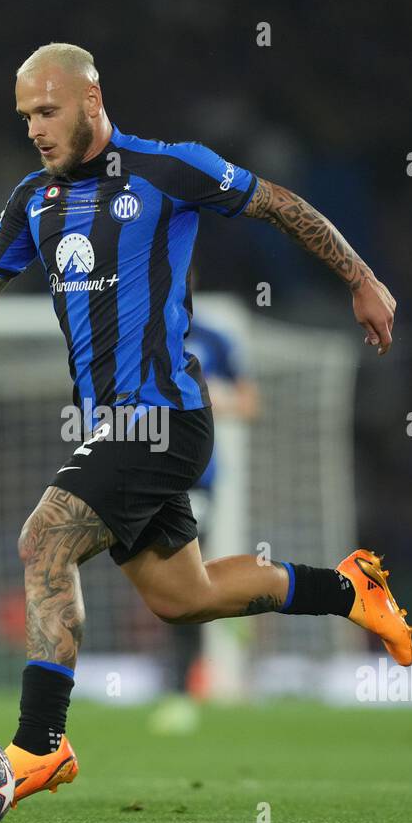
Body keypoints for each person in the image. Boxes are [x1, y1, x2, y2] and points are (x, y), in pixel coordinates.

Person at [0, 43, 412, 807]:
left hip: (164, 417)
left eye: (48, 111)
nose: (35, 129)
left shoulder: (169, 170)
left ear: (91, 100)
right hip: (112, 427)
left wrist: (362, 279)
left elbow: (281, 204)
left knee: (45, 538)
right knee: (184, 597)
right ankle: (349, 588)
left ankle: (41, 745)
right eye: (25, 117)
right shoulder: (32, 201)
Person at [149, 308, 258, 736]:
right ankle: (234, 602)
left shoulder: (215, 338)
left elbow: (250, 403)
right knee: (172, 582)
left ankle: (179, 695)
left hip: (195, 476)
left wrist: (200, 402)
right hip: (141, 471)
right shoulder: (139, 326)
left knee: (179, 587)